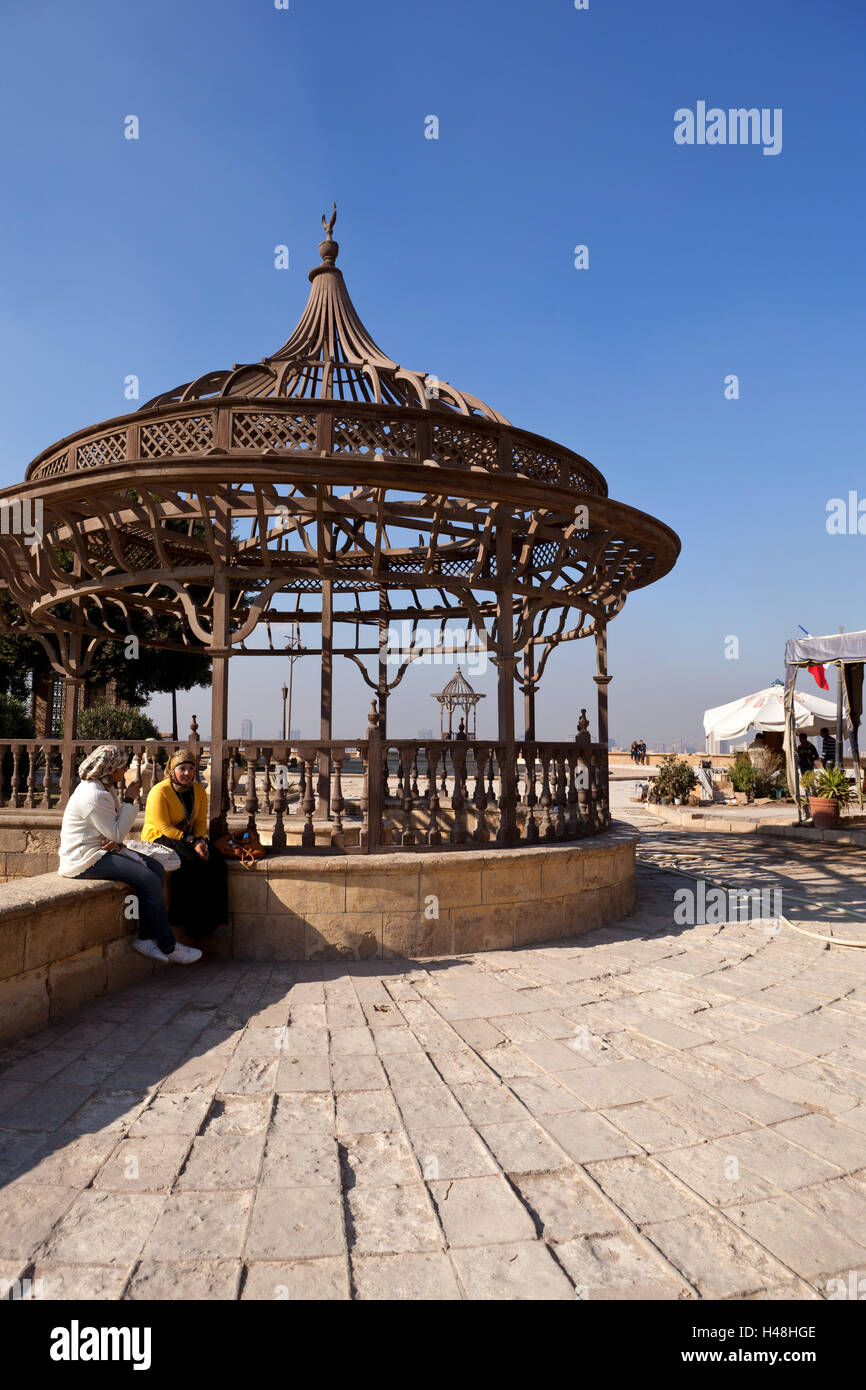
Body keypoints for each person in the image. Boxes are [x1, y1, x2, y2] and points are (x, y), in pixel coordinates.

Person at [58, 744, 201, 965]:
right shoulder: (92, 794)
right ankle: (168, 945)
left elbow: (110, 832)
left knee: (155, 868)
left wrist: (114, 840)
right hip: (84, 859)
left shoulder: (104, 787)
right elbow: (116, 831)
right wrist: (129, 801)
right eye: (121, 767)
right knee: (146, 878)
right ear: (109, 767)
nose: (123, 771)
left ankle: (145, 937)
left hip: (102, 848)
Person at [142, 748, 229, 941]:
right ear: (172, 770)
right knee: (189, 861)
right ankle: (184, 920)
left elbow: (198, 821)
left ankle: (219, 919)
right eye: (182, 769)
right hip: (160, 837)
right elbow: (164, 827)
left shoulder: (198, 790)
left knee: (216, 861)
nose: (187, 773)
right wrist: (192, 842)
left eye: (191, 768)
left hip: (188, 837)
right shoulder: (160, 791)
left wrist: (200, 841)